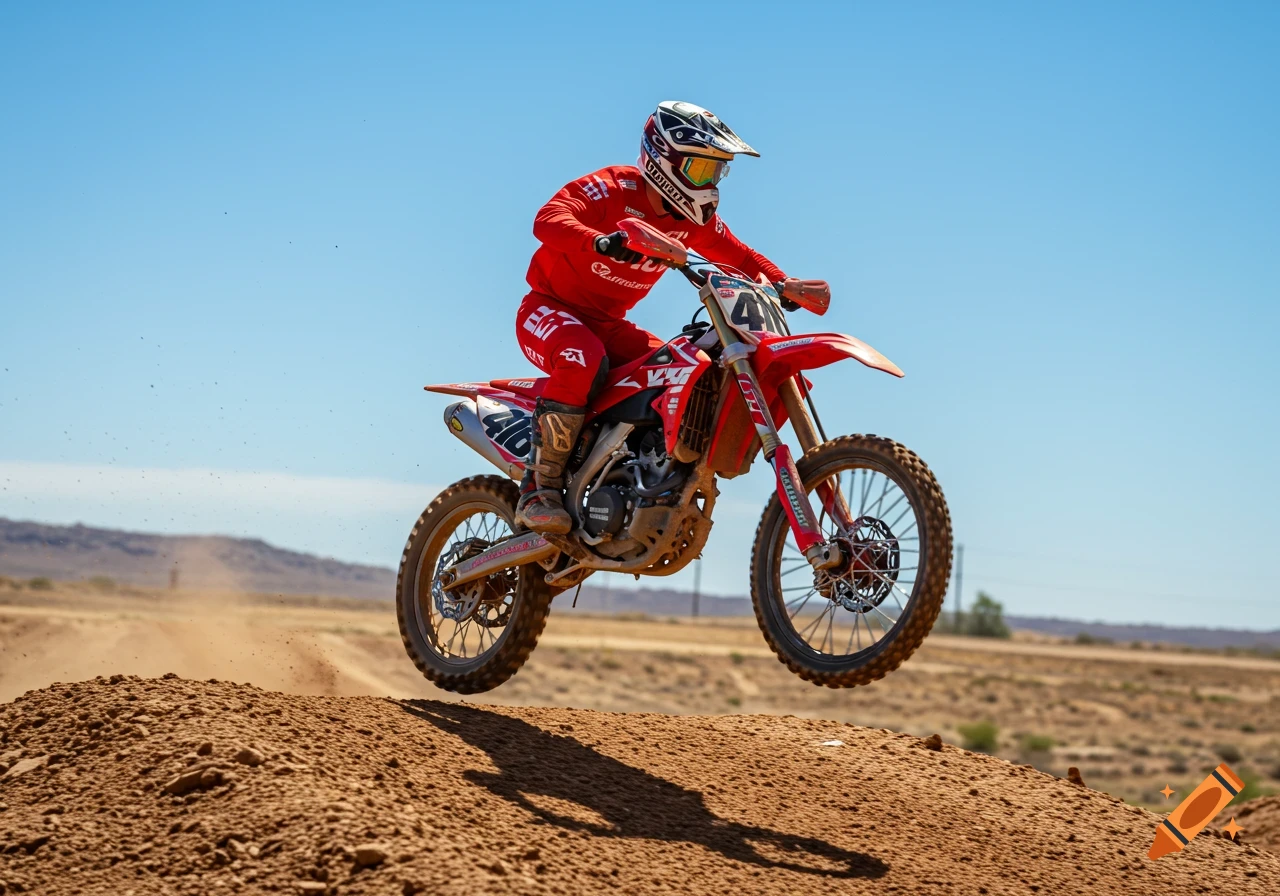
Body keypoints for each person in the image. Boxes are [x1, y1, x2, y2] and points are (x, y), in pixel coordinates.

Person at [514, 101, 789, 534]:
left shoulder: (690, 220)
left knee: (683, 367)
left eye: (717, 172)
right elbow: (547, 220)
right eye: (701, 170)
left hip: (609, 326)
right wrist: (600, 241)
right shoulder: (612, 189)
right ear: (665, 158)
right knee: (581, 358)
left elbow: (741, 256)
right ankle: (538, 487)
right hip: (549, 309)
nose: (710, 183)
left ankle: (636, 476)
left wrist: (782, 283)